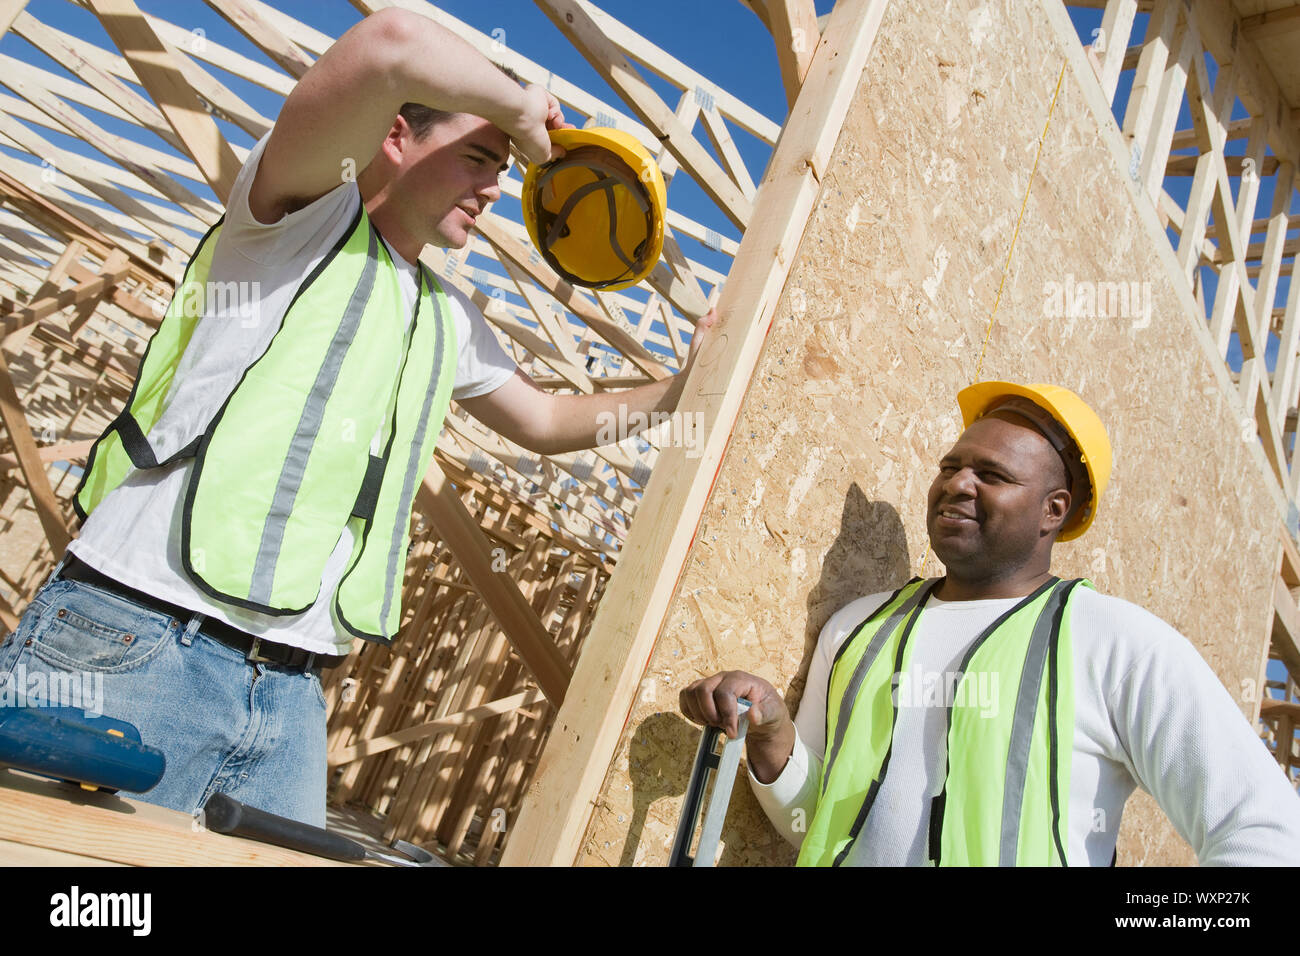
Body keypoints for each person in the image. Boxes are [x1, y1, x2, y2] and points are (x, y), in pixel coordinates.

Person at [0, 9, 711, 827]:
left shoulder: (445, 318)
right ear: (396, 138)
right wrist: (521, 104)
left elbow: (547, 423)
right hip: (138, 634)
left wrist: (686, 391)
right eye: (479, 159)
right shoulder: (292, 220)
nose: (492, 189)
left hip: (292, 690)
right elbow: (389, 46)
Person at [680, 382, 1300, 865]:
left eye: (993, 475)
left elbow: (1267, 831)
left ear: (1052, 511)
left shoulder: (1116, 644)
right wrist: (772, 740)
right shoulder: (857, 629)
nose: (957, 485)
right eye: (952, 467)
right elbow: (818, 823)